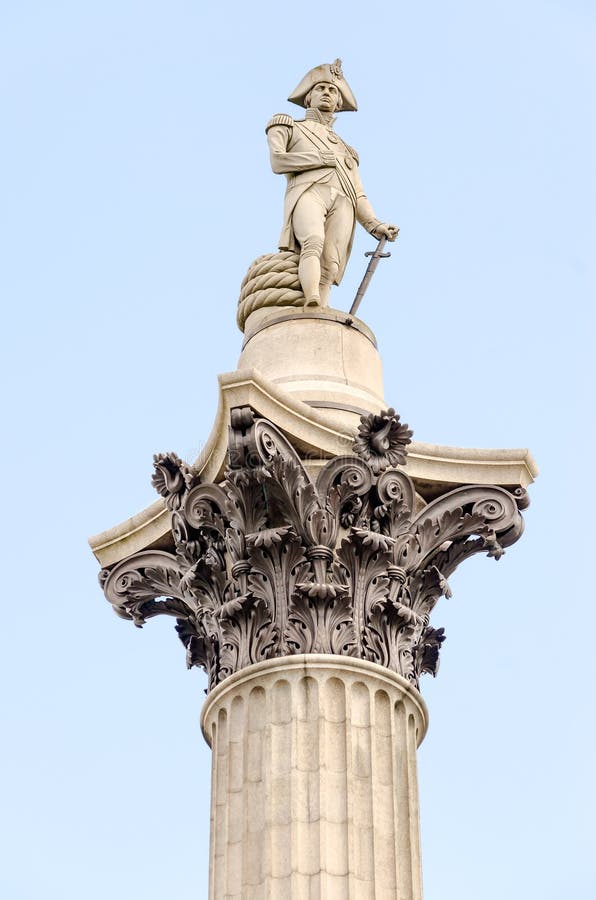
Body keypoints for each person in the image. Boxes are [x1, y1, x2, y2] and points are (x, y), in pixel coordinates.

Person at [266, 59, 398, 307]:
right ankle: (311, 299)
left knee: (331, 263)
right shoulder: (290, 126)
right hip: (309, 191)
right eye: (320, 88)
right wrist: (319, 158)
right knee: (313, 241)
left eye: (332, 90)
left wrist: (374, 224)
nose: (326, 93)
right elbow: (278, 161)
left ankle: (322, 308)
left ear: (338, 102)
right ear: (308, 97)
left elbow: (358, 193)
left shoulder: (347, 151)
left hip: (343, 201)